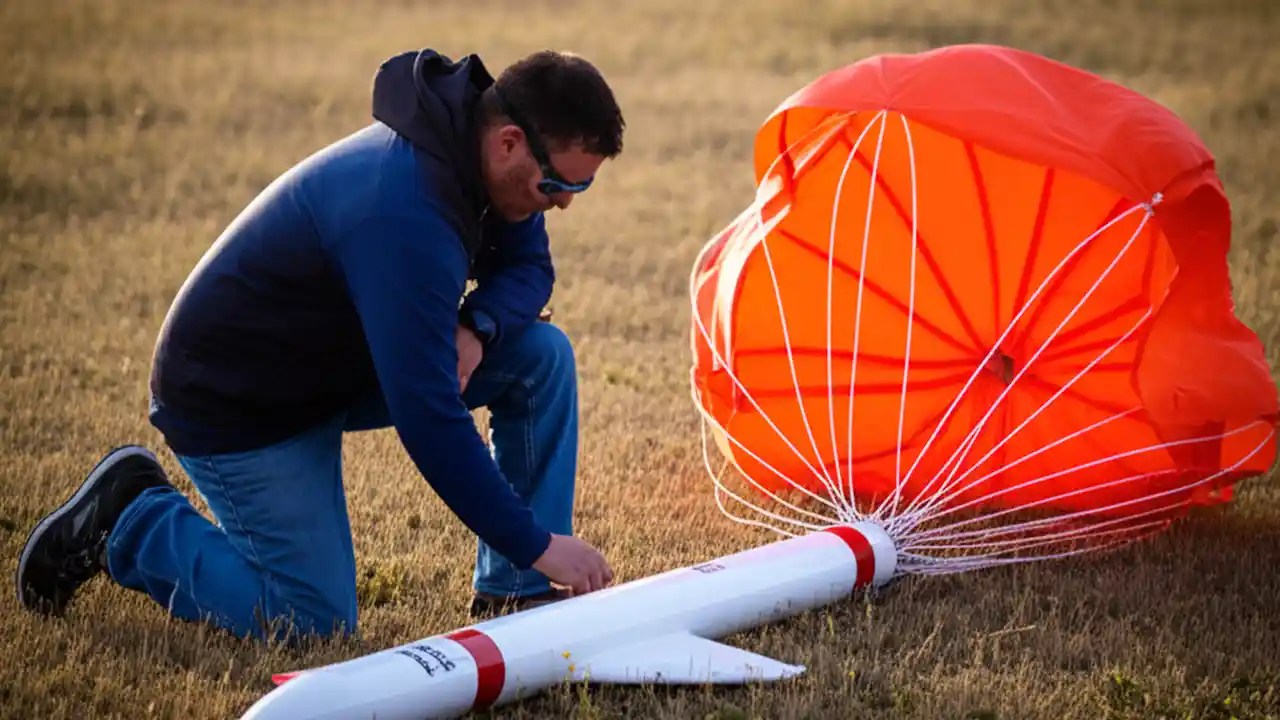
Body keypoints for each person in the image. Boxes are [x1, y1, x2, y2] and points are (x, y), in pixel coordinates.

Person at [15, 47, 625, 642]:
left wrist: (478, 325)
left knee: (540, 357)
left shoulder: (488, 164)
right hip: (238, 397)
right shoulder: (407, 212)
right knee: (311, 621)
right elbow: (429, 419)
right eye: (556, 185)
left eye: (577, 188)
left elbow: (530, 272)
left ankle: (517, 593)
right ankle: (130, 519)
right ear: (510, 142)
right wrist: (541, 544)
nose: (564, 202)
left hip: (327, 367)